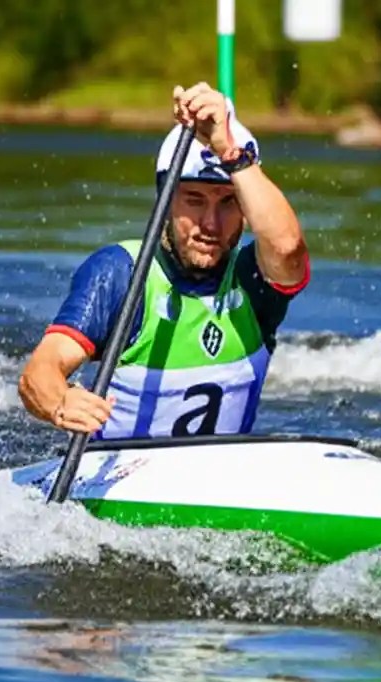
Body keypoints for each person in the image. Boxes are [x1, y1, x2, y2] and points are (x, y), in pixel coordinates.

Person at [18, 81, 309, 439]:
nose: (210, 224)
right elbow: (40, 371)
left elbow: (287, 247)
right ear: (166, 202)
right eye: (195, 200)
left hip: (226, 477)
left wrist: (230, 151)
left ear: (247, 209)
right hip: (121, 477)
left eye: (228, 202)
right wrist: (61, 401)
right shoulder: (122, 272)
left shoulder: (254, 280)